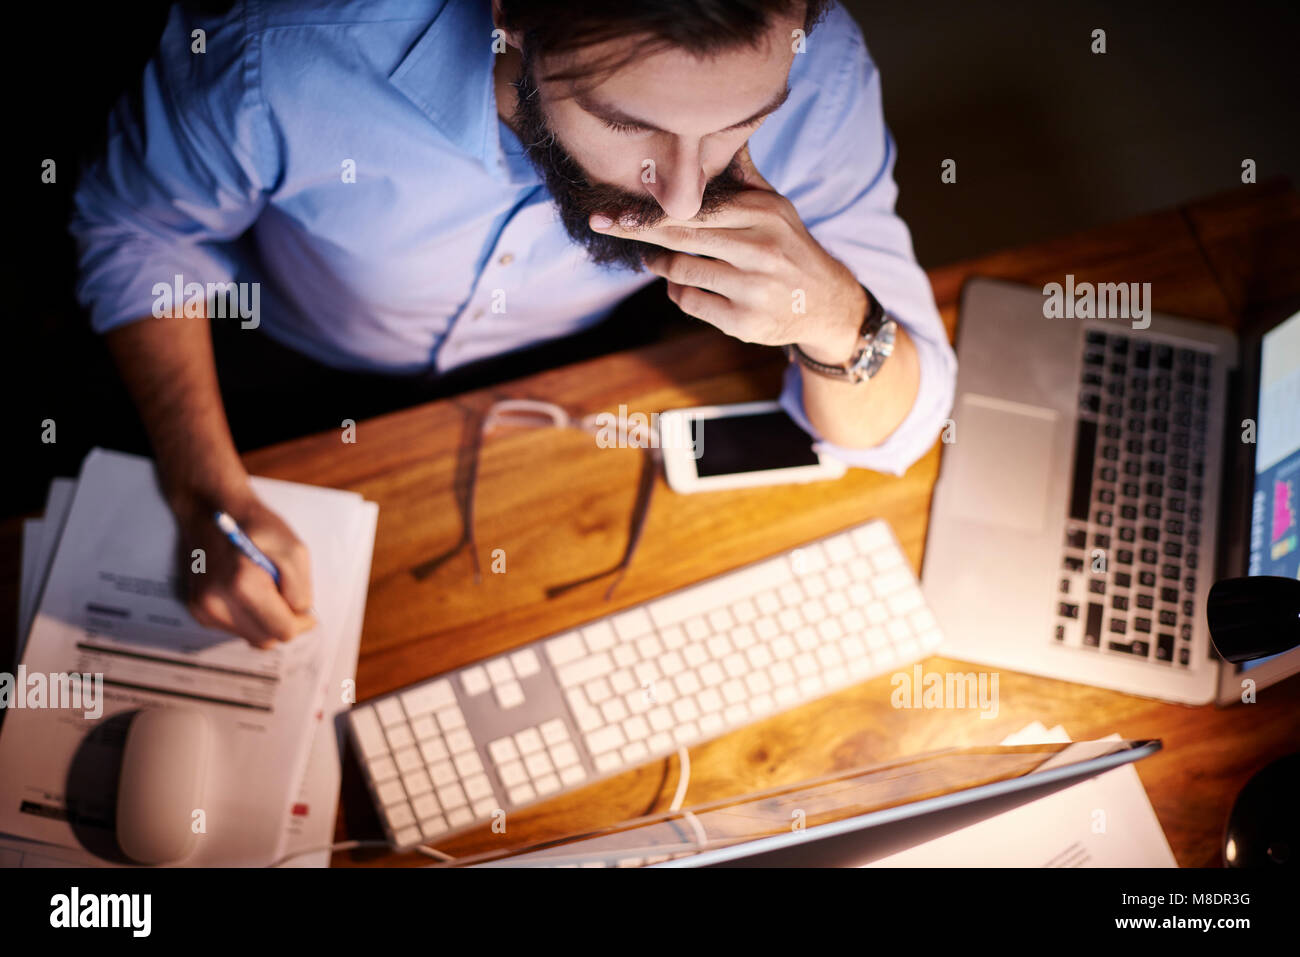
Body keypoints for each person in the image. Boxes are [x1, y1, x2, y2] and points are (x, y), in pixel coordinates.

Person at [70, 0, 956, 647]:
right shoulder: (283, 49)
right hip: (276, 359)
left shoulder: (818, 64)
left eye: (743, 124)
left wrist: (840, 316)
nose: (685, 194)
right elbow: (138, 228)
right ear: (514, 22)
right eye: (625, 123)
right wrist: (202, 491)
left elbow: (900, 430)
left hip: (586, 377)